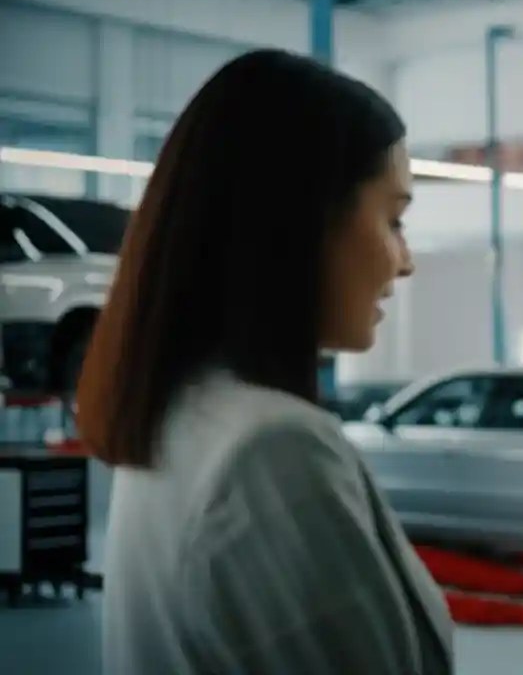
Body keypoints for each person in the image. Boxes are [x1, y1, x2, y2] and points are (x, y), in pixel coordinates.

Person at [78, 50, 454, 675]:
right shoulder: (272, 449)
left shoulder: (180, 415)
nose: (405, 261)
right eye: (393, 219)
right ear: (302, 220)